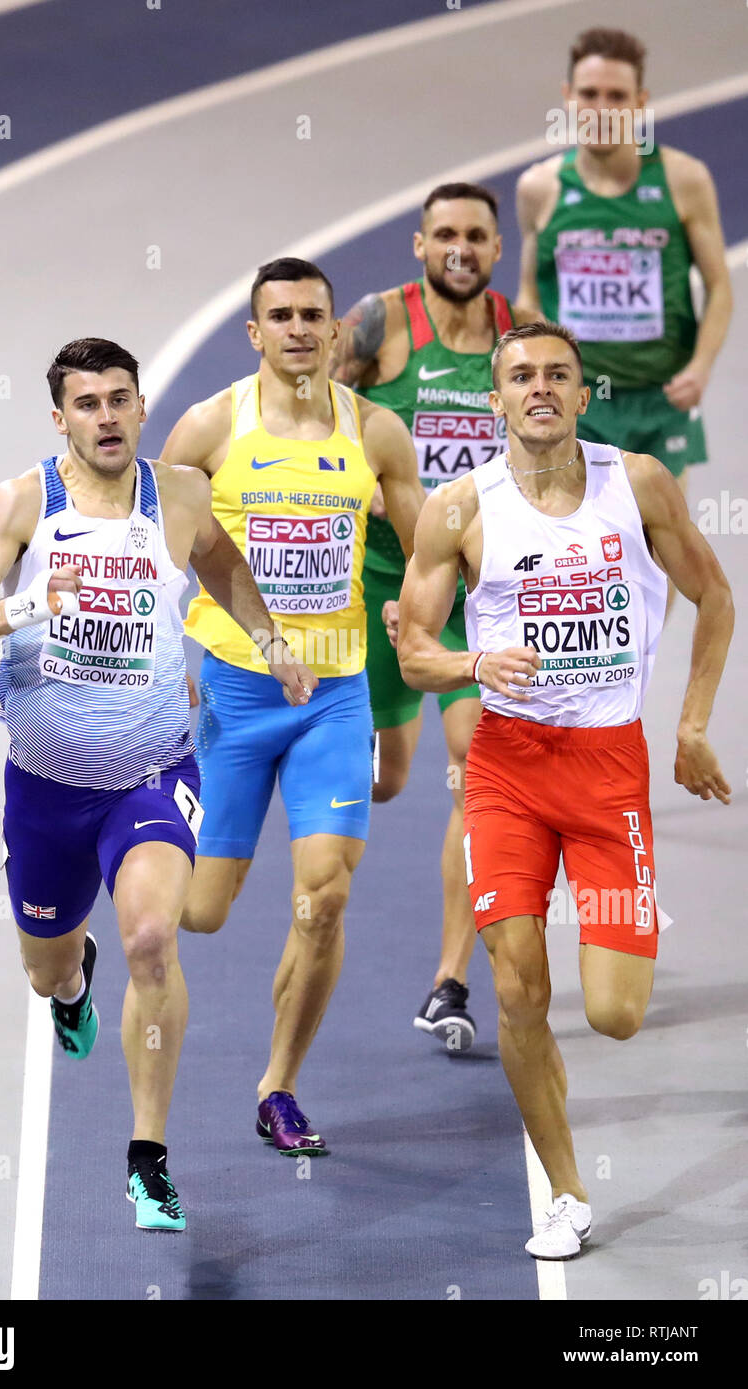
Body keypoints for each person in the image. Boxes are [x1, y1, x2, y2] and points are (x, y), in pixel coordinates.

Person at [0, 337, 313, 1231]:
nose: (106, 417)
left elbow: (219, 562)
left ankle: (148, 1158)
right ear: (58, 418)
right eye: (87, 404)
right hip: (48, 790)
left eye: (120, 400)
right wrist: (29, 604)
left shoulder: (177, 493)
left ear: (141, 408)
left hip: (151, 770)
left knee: (150, 940)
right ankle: (70, 986)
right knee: (47, 967)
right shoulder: (22, 503)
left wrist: (271, 641)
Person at [397, 322, 733, 1258]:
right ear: (493, 400)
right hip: (505, 770)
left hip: (608, 769)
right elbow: (415, 653)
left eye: (557, 375)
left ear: (584, 396)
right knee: (515, 990)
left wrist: (691, 725)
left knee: (619, 1016)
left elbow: (715, 597)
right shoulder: (458, 509)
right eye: (519, 377)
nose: (539, 388)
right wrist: (472, 661)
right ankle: (567, 1191)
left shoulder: (639, 484)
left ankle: (554, 1072)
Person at [160, 257, 424, 1155]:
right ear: (255, 333)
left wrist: (409, 605)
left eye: (315, 314)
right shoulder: (207, 428)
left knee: (323, 898)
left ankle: (278, 1086)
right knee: (199, 913)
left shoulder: (377, 432)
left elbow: (426, 549)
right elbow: (157, 545)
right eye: (282, 317)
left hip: (333, 694)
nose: (301, 330)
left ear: (335, 330)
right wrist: (169, 659)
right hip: (236, 694)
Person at [332, 182, 536, 1052]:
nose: (460, 247)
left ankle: (448, 981)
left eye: (476, 236)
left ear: (498, 248)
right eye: (444, 234)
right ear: (419, 245)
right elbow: (317, 422)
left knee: (474, 764)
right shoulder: (380, 324)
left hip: (471, 589)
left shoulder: (519, 334)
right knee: (384, 781)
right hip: (377, 581)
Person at [516, 26, 732, 499]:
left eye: (616, 96)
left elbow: (719, 287)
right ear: (569, 98)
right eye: (589, 94)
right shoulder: (539, 188)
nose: (602, 110)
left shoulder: (684, 179)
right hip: (577, 402)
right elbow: (529, 294)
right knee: (574, 550)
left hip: (660, 401)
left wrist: (700, 367)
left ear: (640, 102)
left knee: (659, 554)